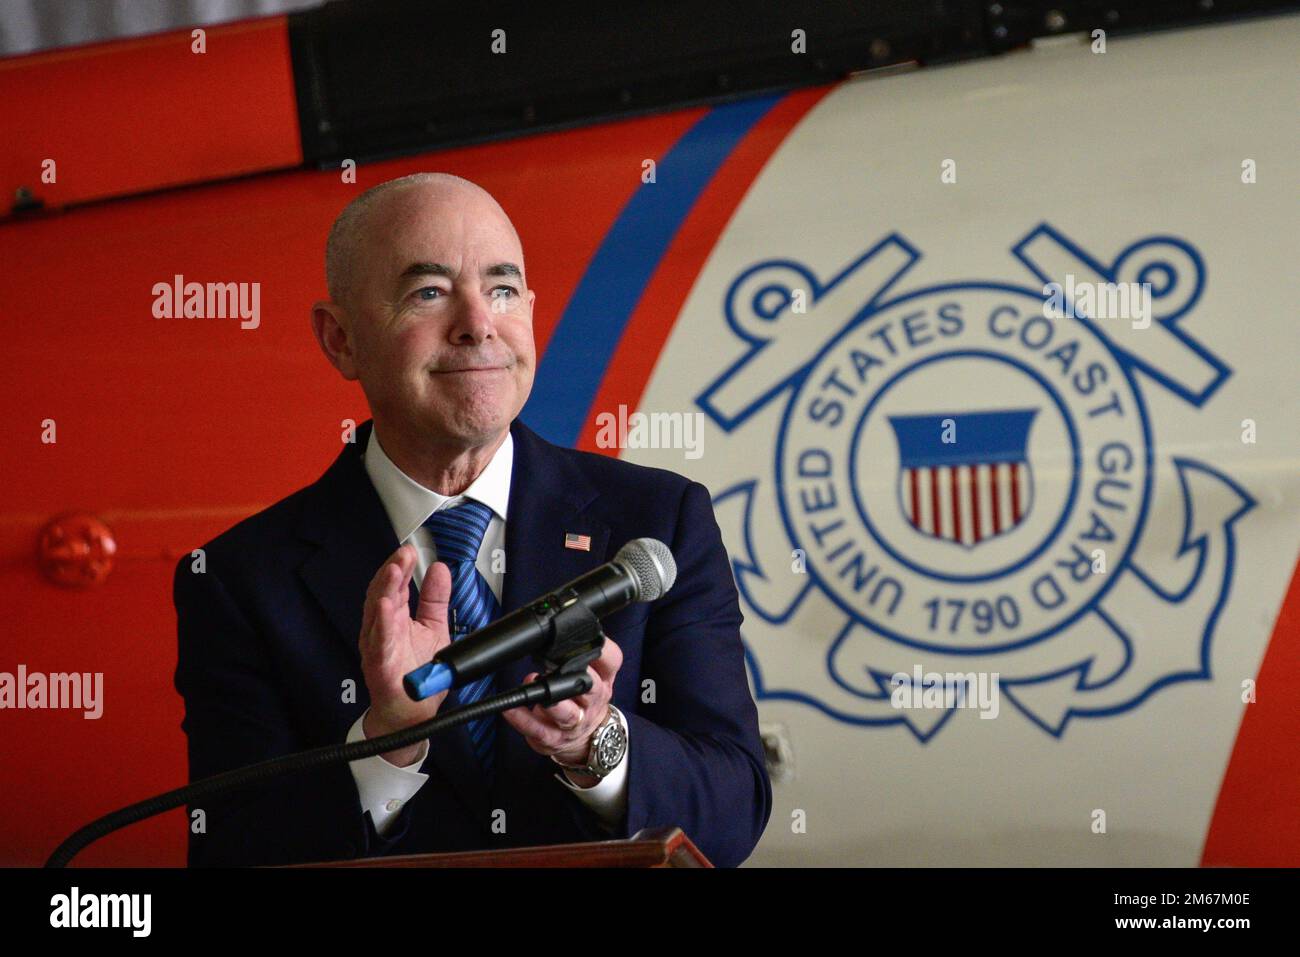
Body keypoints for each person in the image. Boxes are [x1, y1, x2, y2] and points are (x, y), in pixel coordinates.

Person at [173, 172, 771, 867]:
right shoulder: (241, 578)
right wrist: (388, 740)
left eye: (503, 289)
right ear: (340, 340)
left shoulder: (660, 522)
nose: (478, 322)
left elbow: (734, 809)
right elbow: (232, 853)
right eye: (429, 292)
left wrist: (592, 742)